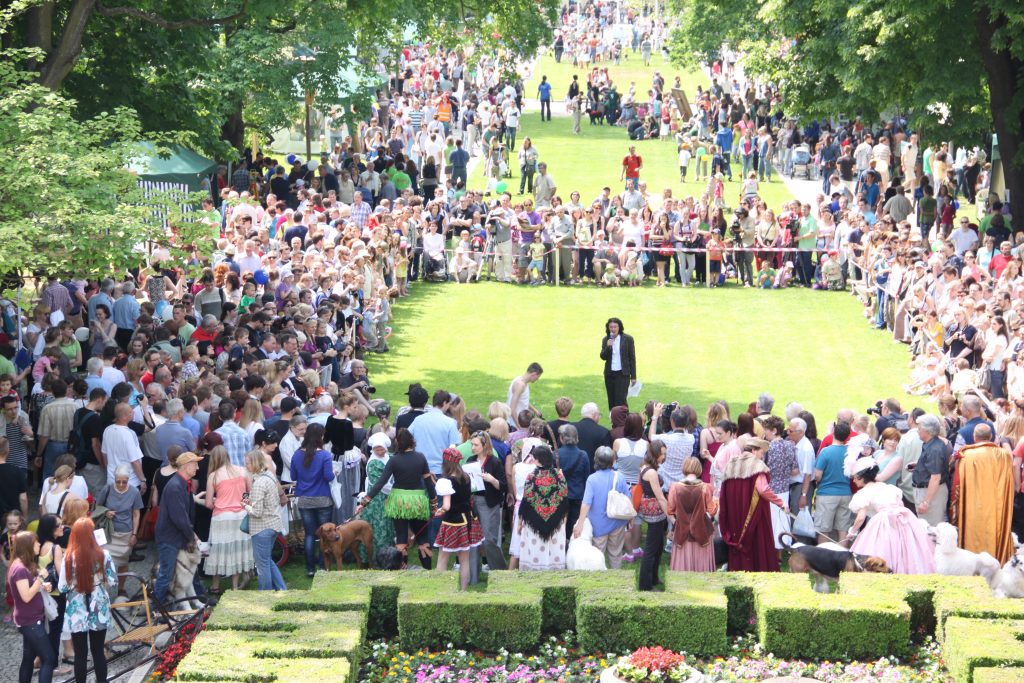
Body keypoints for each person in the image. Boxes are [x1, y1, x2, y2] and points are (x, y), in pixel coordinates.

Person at [357, 428, 436, 570]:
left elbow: (380, 483)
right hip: (418, 502)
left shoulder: (394, 460)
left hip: (398, 502)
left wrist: (365, 501)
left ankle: (401, 571)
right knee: (423, 539)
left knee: (401, 538)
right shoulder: (421, 457)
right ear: (412, 441)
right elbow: (429, 483)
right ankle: (429, 572)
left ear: (398, 443)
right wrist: (434, 504)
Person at [847, 457, 935, 574]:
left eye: (854, 478)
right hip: (904, 518)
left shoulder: (864, 493)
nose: (853, 481)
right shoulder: (889, 488)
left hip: (884, 521)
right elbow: (900, 505)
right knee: (906, 548)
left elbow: (860, 518)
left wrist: (852, 531)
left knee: (883, 547)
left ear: (860, 477)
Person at [59, 518, 116, 683]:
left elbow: (62, 587)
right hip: (98, 604)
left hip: (77, 606)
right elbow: (113, 581)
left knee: (80, 654)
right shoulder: (103, 554)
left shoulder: (68, 557)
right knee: (98, 651)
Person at [719, 438, 787, 571]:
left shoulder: (731, 464)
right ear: (754, 450)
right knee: (756, 542)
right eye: (761, 453)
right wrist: (781, 503)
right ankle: (757, 570)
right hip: (753, 515)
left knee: (737, 537)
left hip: (734, 514)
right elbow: (763, 489)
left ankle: (737, 569)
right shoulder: (757, 465)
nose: (762, 457)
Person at [951, 423, 1014, 564]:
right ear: (990, 436)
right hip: (996, 504)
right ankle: (996, 560)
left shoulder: (966, 455)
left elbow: (957, 485)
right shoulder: (1003, 455)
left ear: (974, 437)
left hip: (972, 505)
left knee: (973, 531)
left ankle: (972, 564)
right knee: (995, 528)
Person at [154, 451, 203, 606]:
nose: (197, 468)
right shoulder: (175, 487)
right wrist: (192, 535)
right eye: (195, 464)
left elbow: (183, 515)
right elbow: (179, 518)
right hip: (169, 538)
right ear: (186, 466)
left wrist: (190, 534)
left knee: (188, 571)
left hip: (178, 536)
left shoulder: (182, 483)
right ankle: (157, 608)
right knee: (166, 575)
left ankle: (196, 600)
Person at [7, 530, 56, 683]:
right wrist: (40, 578)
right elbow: (26, 596)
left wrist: (42, 585)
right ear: (28, 545)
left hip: (29, 619)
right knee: (48, 658)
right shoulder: (20, 569)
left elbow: (29, 588)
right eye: (36, 542)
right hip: (30, 621)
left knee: (28, 658)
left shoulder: (23, 565)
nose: (39, 544)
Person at [204, 444, 253, 591]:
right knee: (236, 549)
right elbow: (249, 494)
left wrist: (218, 502)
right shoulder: (243, 471)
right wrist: (242, 501)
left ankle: (215, 586)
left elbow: (208, 503)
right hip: (241, 515)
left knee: (218, 550)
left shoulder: (213, 476)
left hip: (221, 517)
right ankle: (235, 586)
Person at [573, 446, 631, 568]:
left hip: (598, 525)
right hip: (617, 522)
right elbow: (628, 499)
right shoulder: (619, 476)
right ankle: (616, 578)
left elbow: (586, 503)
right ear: (612, 461)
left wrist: (580, 524)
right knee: (616, 553)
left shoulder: (592, 479)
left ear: (596, 460)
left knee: (597, 556)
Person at [433, 447, 483, 589]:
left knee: (443, 558)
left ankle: (439, 589)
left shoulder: (446, 481)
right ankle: (463, 591)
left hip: (453, 522)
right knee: (464, 559)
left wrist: (440, 510)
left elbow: (447, 506)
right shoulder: (466, 477)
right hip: (468, 519)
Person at [290, 423, 334, 577]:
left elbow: (293, 476)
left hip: (304, 499)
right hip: (323, 499)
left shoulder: (297, 454)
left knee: (309, 534)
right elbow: (329, 476)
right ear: (320, 437)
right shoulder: (325, 455)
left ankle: (310, 568)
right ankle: (322, 566)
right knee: (325, 535)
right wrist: (334, 472)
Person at [241, 449, 286, 591]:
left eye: (247, 463)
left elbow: (257, 512)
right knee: (267, 561)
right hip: (273, 524)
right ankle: (282, 590)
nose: (246, 466)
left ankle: (265, 595)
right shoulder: (270, 476)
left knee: (262, 565)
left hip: (262, 528)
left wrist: (245, 505)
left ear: (255, 463)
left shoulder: (259, 483)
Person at [466, 430, 507, 576]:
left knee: (489, 539)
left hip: (489, 503)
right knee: (473, 539)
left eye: (476, 445)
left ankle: (499, 571)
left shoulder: (494, 462)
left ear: (485, 445)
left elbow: (503, 486)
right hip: (473, 502)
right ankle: (473, 573)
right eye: (472, 444)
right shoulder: (470, 460)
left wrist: (492, 480)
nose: (473, 448)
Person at [668, 456, 718, 571]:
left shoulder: (675, 487)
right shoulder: (705, 487)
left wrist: (676, 522)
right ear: (699, 469)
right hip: (702, 527)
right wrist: (716, 502)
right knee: (702, 555)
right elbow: (712, 510)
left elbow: (670, 509)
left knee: (683, 556)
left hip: (682, 527)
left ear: (684, 468)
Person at [97, 464, 143, 588]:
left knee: (123, 563)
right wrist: (106, 512)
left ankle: (121, 588)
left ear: (128, 479)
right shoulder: (107, 489)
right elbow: (97, 507)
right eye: (118, 481)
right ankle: (103, 589)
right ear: (114, 479)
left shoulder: (134, 492)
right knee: (103, 562)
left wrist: (134, 534)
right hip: (108, 533)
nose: (121, 484)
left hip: (125, 533)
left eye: (124, 482)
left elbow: (136, 514)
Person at [637, 440, 670, 590]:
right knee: (651, 549)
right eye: (662, 454)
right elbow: (660, 497)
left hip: (652, 511)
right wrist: (671, 517)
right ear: (655, 453)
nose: (664, 456)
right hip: (655, 513)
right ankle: (645, 585)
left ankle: (654, 578)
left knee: (657, 546)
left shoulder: (645, 466)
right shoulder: (651, 472)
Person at [557, 424, 591, 540]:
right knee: (574, 524)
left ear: (562, 438)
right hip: (578, 495)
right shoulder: (583, 455)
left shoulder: (556, 455)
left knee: (560, 524)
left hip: (560, 495)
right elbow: (586, 477)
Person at [600, 317, 637, 410]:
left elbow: (632, 358)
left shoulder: (628, 339)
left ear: (619, 327)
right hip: (609, 374)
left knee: (621, 401)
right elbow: (603, 357)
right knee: (611, 400)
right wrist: (608, 347)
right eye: (611, 327)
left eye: (615, 327)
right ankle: (613, 418)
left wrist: (633, 376)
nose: (613, 329)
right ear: (608, 328)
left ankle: (624, 418)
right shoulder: (606, 339)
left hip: (622, 374)